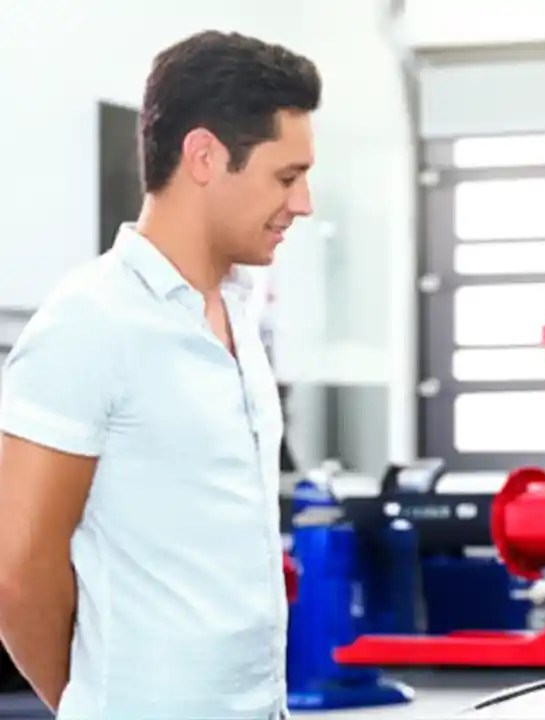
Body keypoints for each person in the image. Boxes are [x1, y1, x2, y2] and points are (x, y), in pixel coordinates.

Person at [0, 30, 319, 718]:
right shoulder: (90, 322)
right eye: (286, 178)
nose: (303, 203)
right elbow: (16, 577)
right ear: (204, 156)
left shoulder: (239, 319)